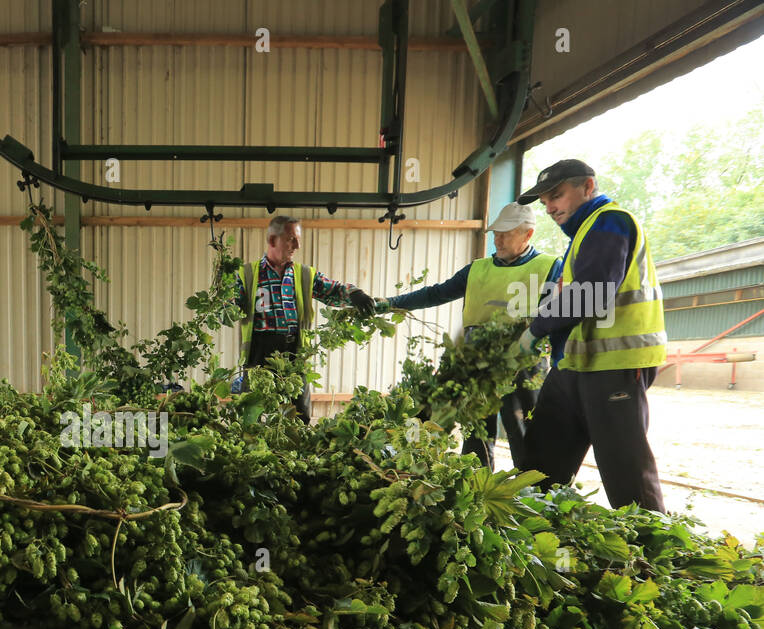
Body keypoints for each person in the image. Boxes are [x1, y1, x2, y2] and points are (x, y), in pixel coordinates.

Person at [516, 159, 666, 512]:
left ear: (587, 187)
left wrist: (535, 329)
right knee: (539, 465)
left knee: (625, 470)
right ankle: (529, 534)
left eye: (557, 196)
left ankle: (652, 552)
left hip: (614, 367)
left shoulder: (609, 223)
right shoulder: (582, 237)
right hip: (574, 367)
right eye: (545, 202)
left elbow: (591, 293)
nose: (551, 207)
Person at [385, 202, 558, 468]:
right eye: (495, 233)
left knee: (526, 433)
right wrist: (389, 303)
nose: (497, 239)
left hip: (523, 366)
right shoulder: (477, 269)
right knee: (477, 432)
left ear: (528, 234)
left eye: (506, 233)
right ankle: (480, 490)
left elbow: (561, 314)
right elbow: (435, 293)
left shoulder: (550, 267)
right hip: (475, 363)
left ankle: (533, 494)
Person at [234, 215, 379, 423]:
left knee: (299, 416)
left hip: (295, 354)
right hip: (257, 355)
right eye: (291, 239)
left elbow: (333, 289)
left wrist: (354, 293)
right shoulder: (246, 274)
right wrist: (224, 304)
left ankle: (296, 455)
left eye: (298, 239)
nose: (297, 245)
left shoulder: (304, 275)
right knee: (250, 417)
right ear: (273, 240)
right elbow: (227, 308)